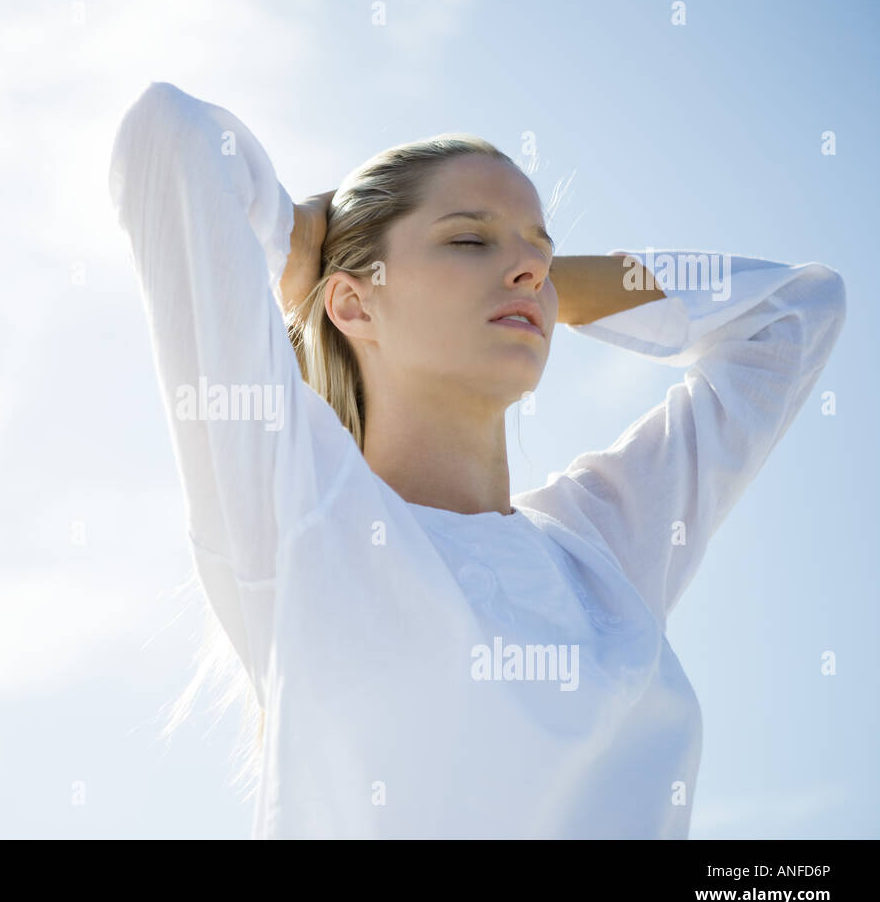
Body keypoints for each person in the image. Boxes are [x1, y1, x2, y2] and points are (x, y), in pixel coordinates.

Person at [107, 80, 847, 838]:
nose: (528, 266)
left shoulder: (601, 551)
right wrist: (304, 243)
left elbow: (796, 312)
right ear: (354, 303)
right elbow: (169, 140)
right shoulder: (304, 515)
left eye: (542, 250)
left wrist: (540, 286)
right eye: (469, 239)